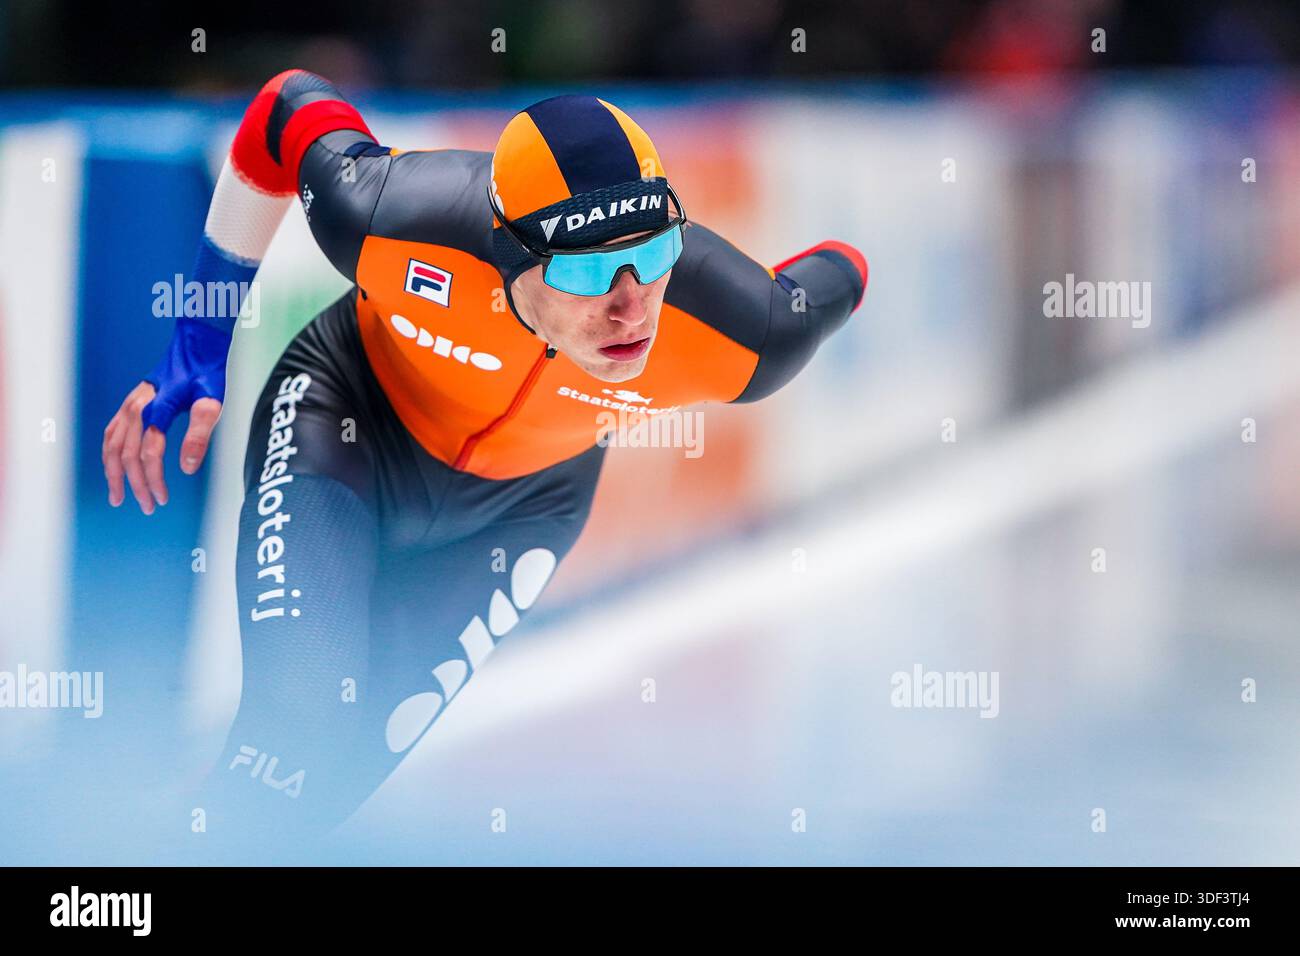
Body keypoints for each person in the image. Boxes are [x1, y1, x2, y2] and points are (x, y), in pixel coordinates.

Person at [101, 69, 869, 853]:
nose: (632, 306)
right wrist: (198, 344)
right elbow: (282, 108)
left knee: (315, 788)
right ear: (508, 256)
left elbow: (844, 264)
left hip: (522, 509)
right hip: (346, 421)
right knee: (301, 720)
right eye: (586, 270)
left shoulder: (750, 332)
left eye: (654, 251)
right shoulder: (386, 214)